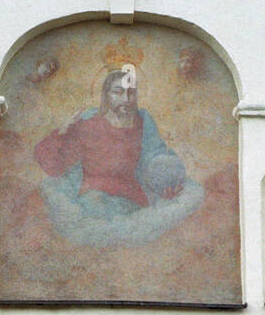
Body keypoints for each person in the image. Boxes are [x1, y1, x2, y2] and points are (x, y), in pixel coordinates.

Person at [32, 69, 203, 247]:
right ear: (106, 95)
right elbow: (54, 166)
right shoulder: (89, 125)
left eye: (131, 92)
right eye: (118, 92)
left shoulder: (142, 123)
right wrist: (62, 132)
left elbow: (156, 154)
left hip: (134, 199)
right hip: (95, 198)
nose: (126, 99)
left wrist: (167, 180)